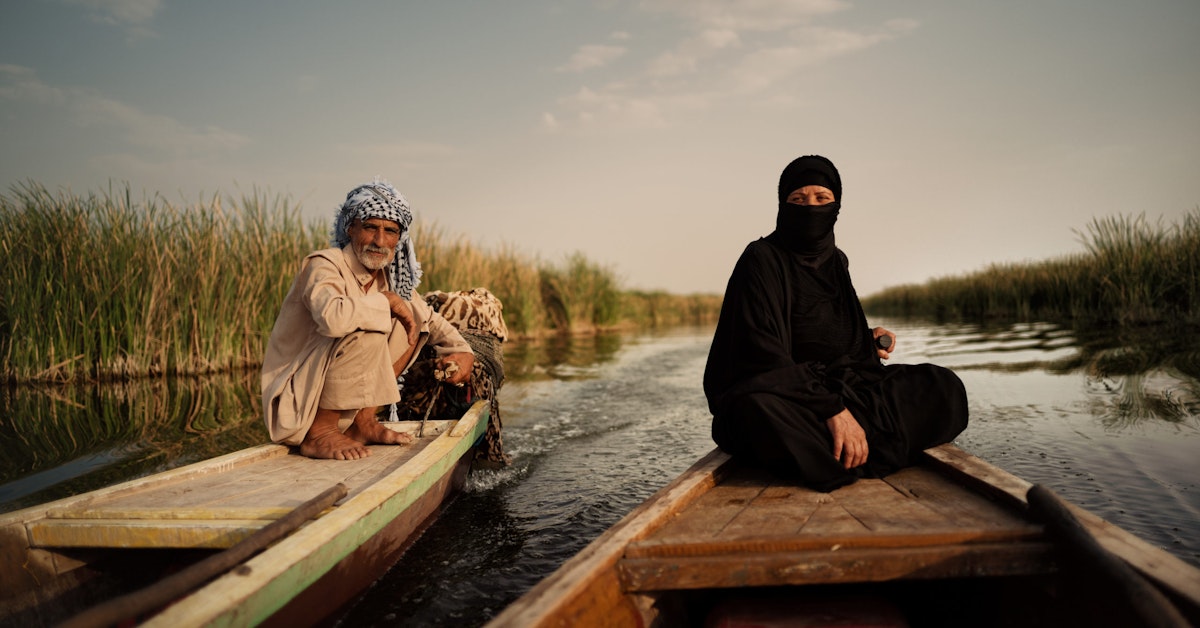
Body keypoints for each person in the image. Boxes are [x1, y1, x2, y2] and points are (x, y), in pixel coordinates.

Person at [703, 155, 968, 492]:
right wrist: (833, 411)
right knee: (757, 410)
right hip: (788, 393)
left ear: (836, 206)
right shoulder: (761, 258)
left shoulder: (836, 260)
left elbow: (828, 331)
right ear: (783, 206)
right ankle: (856, 445)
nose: (810, 207)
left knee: (942, 385)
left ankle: (836, 450)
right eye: (798, 199)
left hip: (840, 386)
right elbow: (761, 352)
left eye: (821, 199)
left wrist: (864, 338)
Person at [261, 179, 474, 460]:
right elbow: (333, 319)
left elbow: (431, 321)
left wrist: (461, 351)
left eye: (390, 231)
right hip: (298, 403)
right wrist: (385, 301)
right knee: (370, 321)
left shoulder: (390, 279)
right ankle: (320, 433)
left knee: (411, 319)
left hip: (342, 406)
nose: (379, 241)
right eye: (371, 227)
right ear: (350, 228)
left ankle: (363, 421)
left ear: (399, 239)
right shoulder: (324, 265)